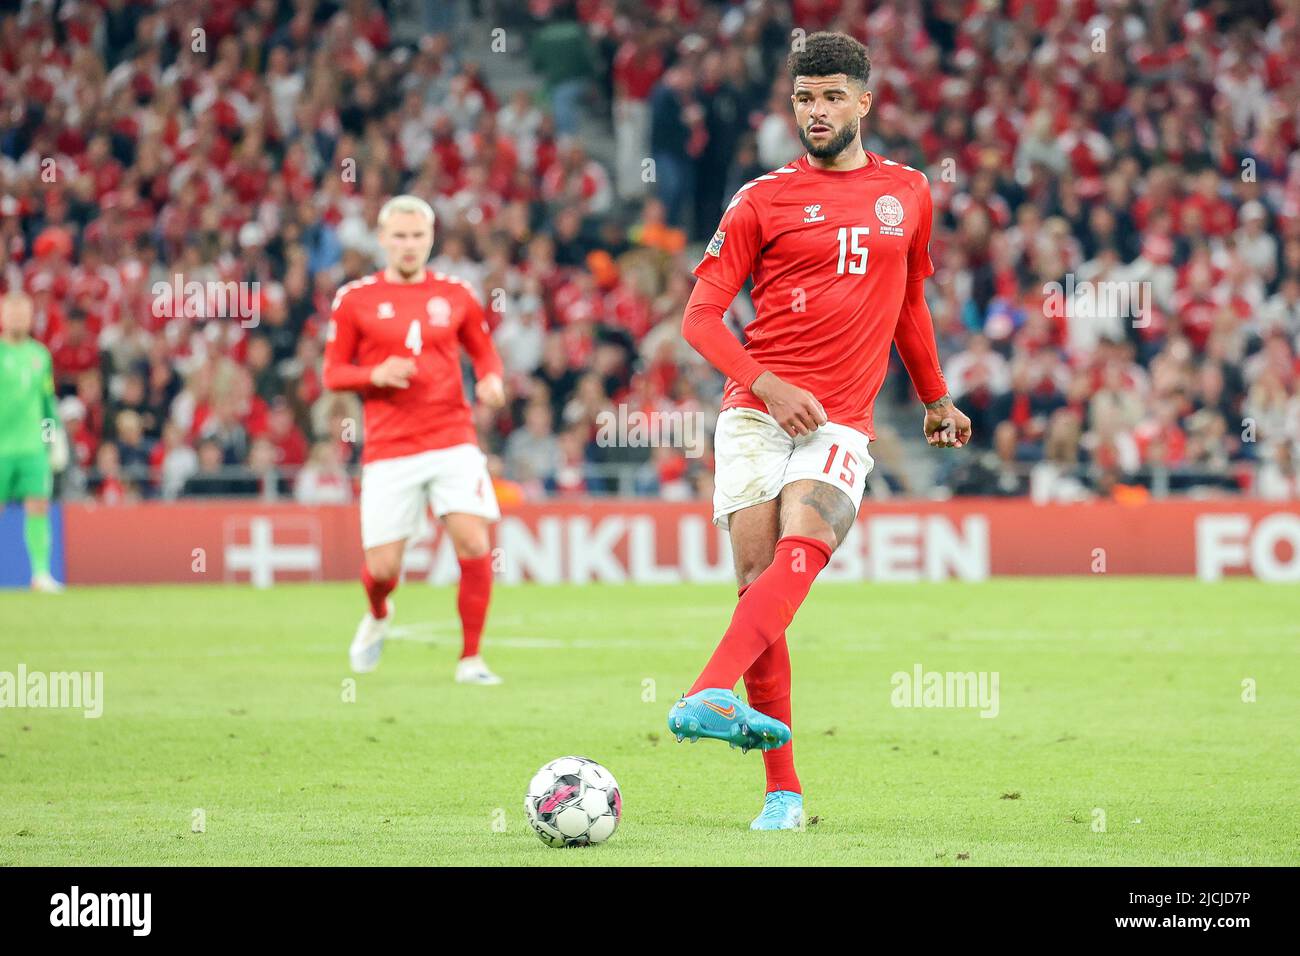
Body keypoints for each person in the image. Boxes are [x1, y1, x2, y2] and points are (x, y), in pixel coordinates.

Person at [668, 33, 972, 830]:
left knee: (804, 550)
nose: (818, 111)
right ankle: (784, 794)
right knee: (757, 589)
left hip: (843, 419)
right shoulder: (759, 200)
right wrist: (768, 386)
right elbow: (699, 319)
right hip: (753, 412)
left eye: (834, 96)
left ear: (864, 102)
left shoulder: (908, 192)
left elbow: (909, 303)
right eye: (805, 98)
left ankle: (706, 690)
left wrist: (936, 397)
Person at [322, 196, 507, 685]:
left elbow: (484, 355)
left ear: (431, 239)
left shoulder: (458, 294)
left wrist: (490, 381)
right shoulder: (354, 299)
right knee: (383, 569)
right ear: (382, 239)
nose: (408, 245)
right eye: (399, 236)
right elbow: (332, 373)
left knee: (473, 540)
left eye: (417, 236)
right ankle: (380, 612)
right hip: (390, 447)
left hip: (452, 437)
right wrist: (375, 374)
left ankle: (471, 659)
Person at [0, 292, 67, 591]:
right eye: (12, 313)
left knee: (38, 506)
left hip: (32, 448)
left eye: (23, 314)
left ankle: (40, 574)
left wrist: (50, 443)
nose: (17, 319)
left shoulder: (40, 356)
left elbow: (47, 405)